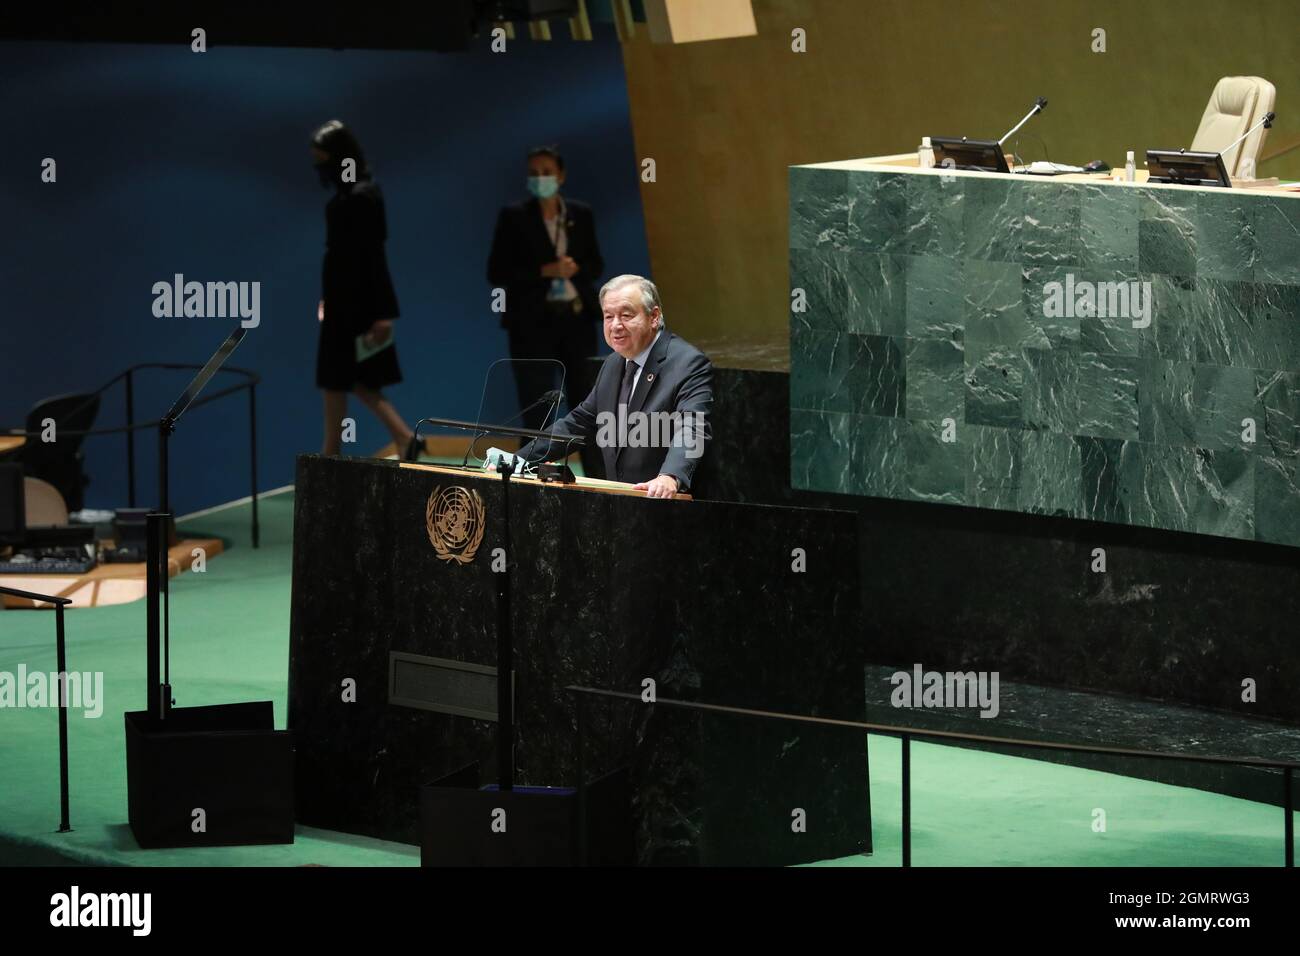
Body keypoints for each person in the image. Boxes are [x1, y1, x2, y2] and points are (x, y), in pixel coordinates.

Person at [513, 275, 712, 499]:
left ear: (654, 316)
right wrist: (519, 459)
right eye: (609, 316)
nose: (616, 325)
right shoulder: (613, 363)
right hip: (620, 504)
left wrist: (670, 476)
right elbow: (580, 422)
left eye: (626, 315)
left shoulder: (687, 362)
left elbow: (693, 428)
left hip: (667, 506)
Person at [311, 119, 418, 460]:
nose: (318, 165)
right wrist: (328, 297)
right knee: (347, 377)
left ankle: (334, 451)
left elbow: (374, 256)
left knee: (344, 377)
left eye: (322, 157)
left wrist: (384, 313)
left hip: (358, 307)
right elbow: (337, 257)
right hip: (342, 303)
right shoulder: (344, 200)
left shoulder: (364, 198)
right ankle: (400, 437)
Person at [486, 145, 605, 435]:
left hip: (577, 322)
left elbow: (597, 264)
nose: (540, 179)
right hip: (531, 325)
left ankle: (596, 477)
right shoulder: (513, 217)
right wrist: (545, 271)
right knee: (536, 408)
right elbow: (496, 272)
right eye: (534, 174)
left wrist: (576, 268)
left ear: (561, 175)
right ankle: (531, 476)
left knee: (588, 408)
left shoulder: (581, 213)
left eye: (547, 172)